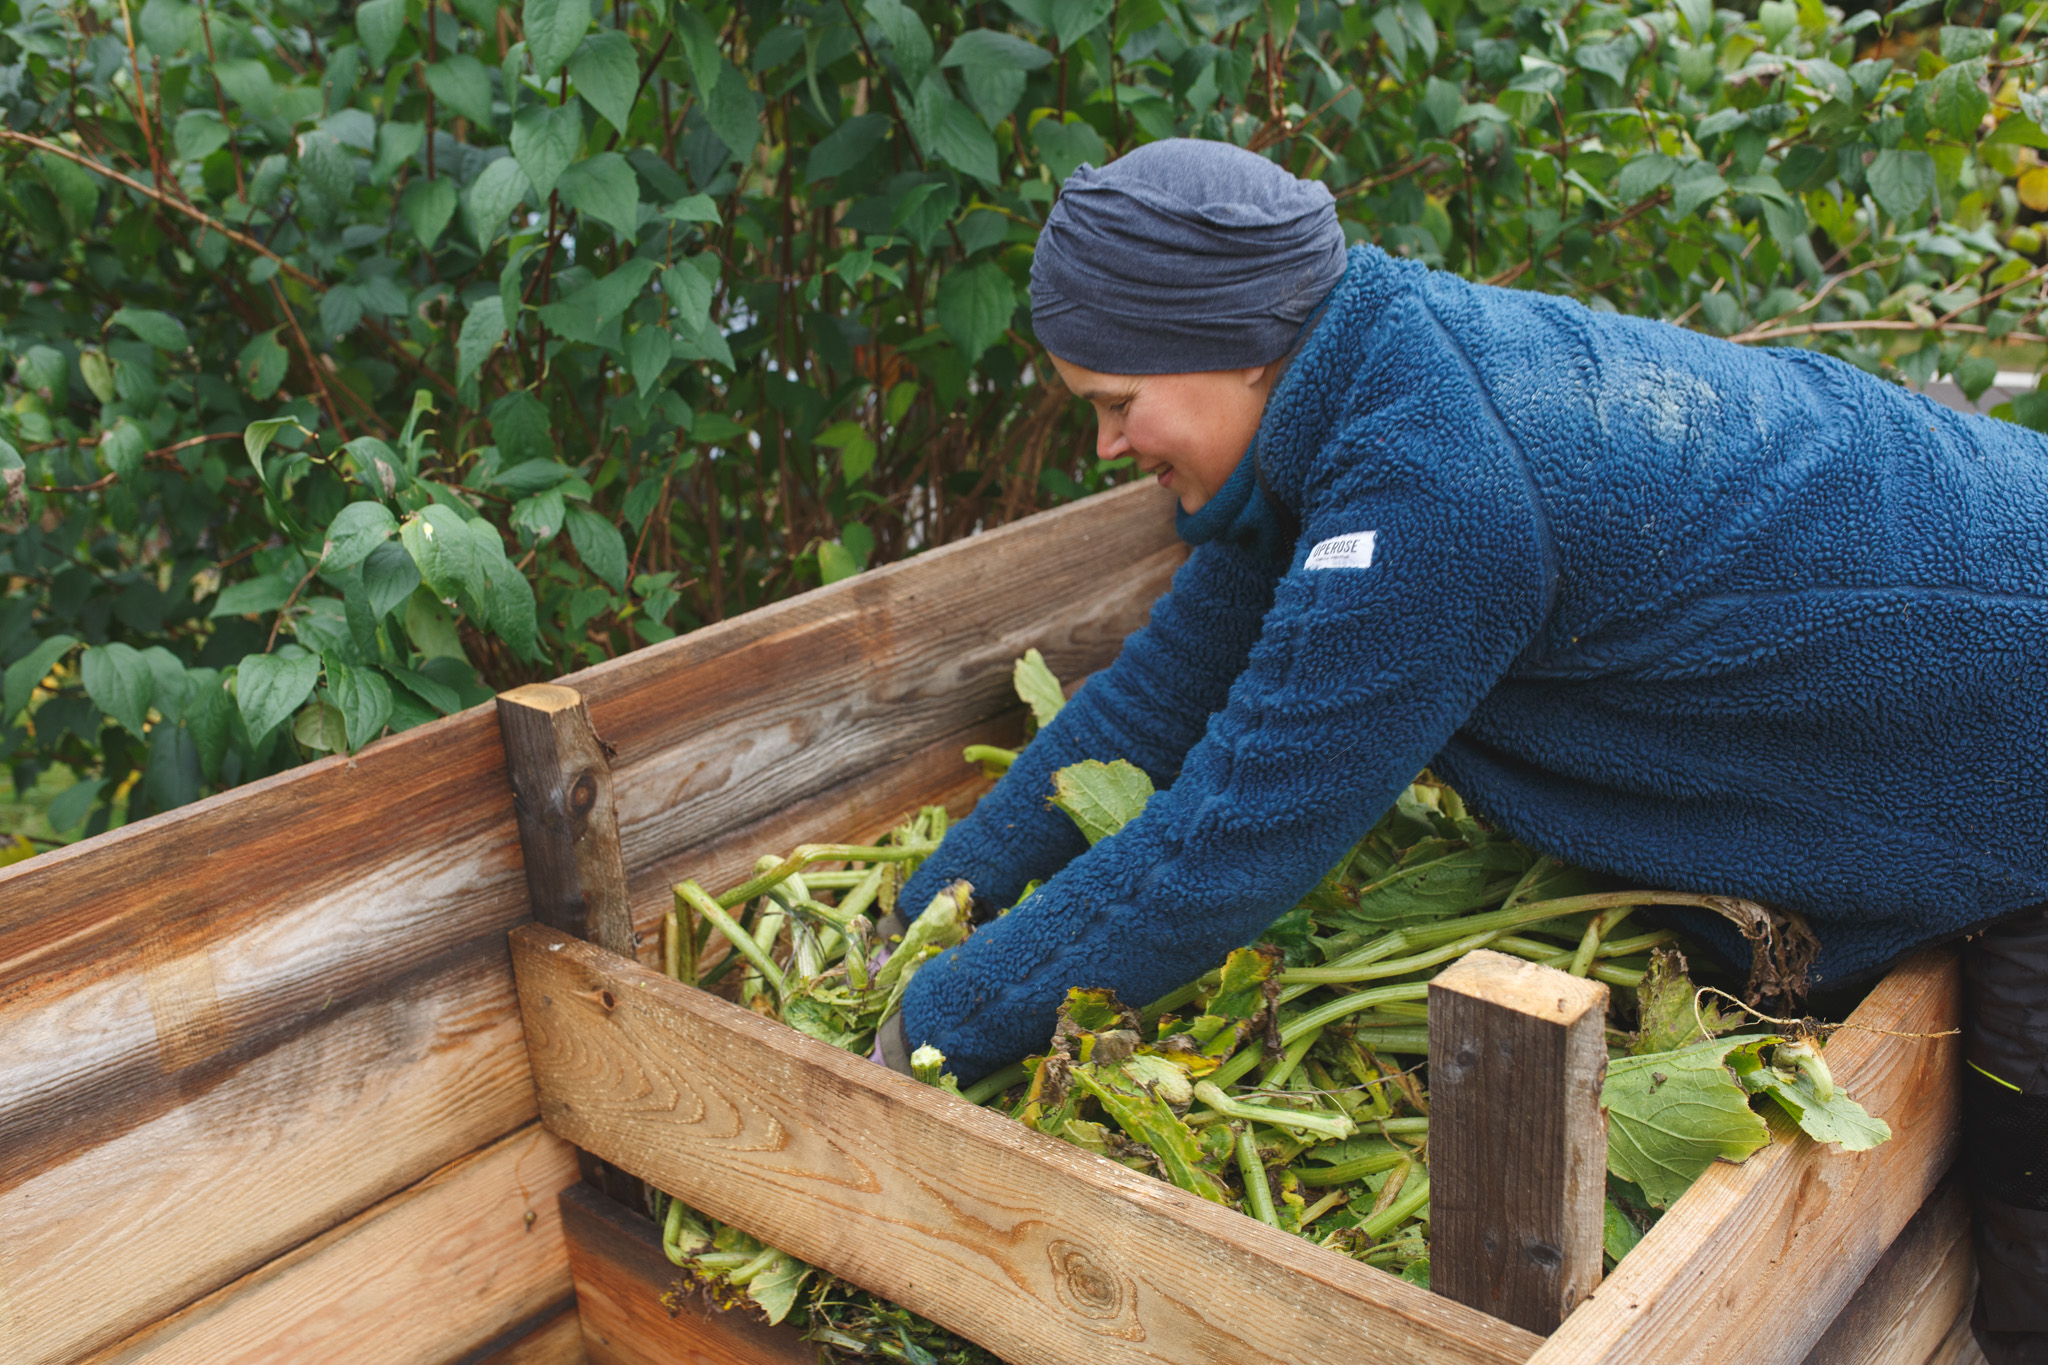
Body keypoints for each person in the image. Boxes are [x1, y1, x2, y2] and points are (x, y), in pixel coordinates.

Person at [871, 139, 2048, 1359]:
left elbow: (1225, 844)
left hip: (2019, 696)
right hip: (1962, 622)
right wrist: (925, 910)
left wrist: (925, 1028)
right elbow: (1152, 702)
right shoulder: (1352, 389)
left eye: (1117, 403)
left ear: (1238, 346)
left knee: (2027, 1175)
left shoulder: (1435, 484)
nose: (1106, 444)